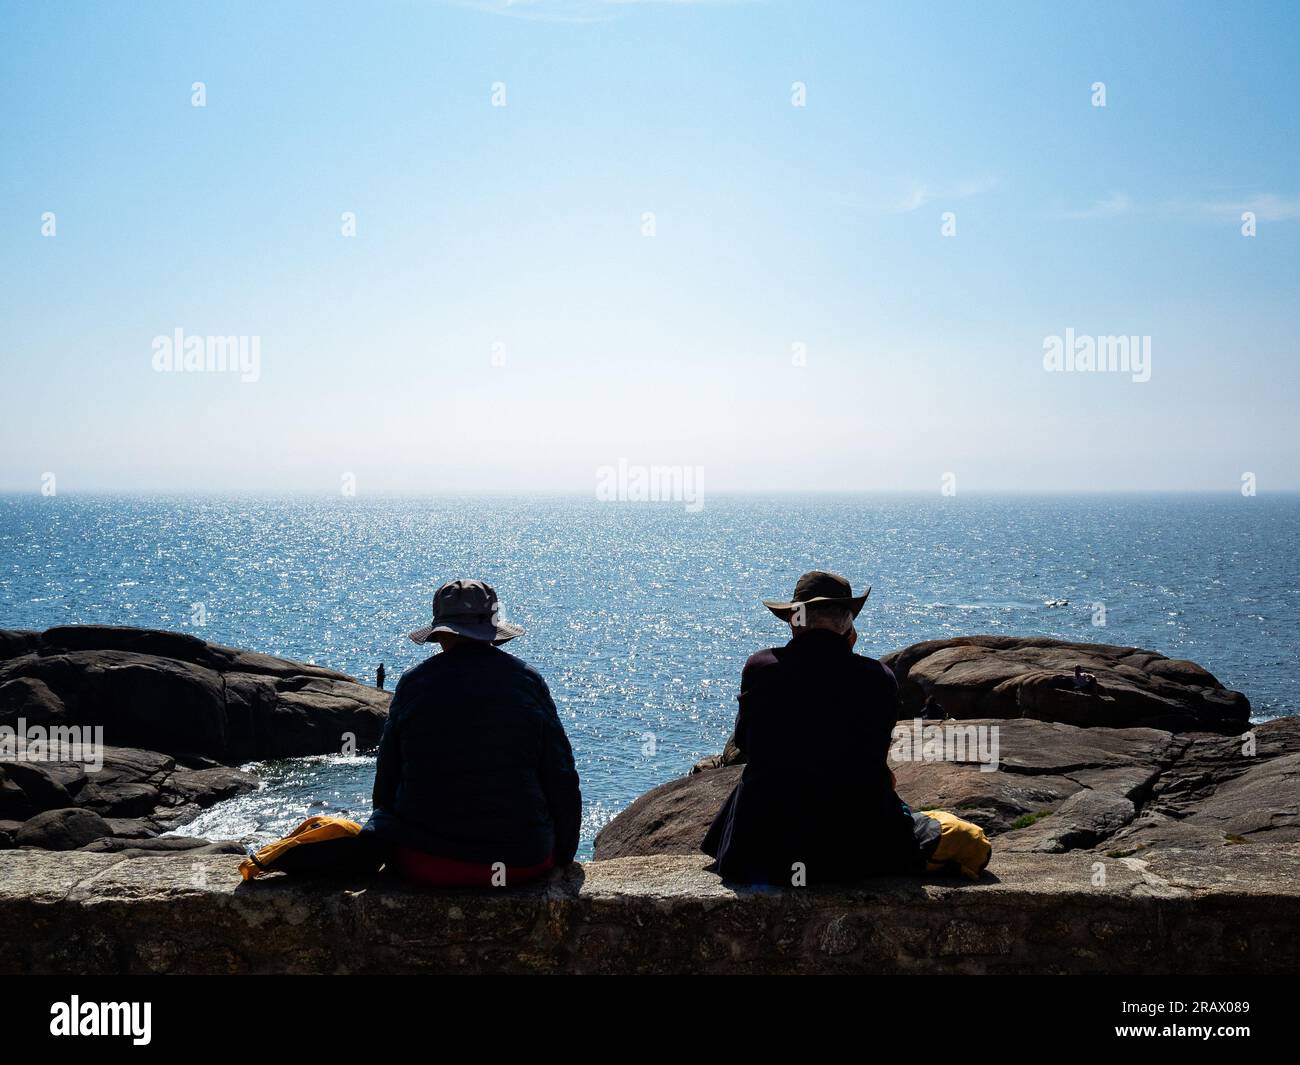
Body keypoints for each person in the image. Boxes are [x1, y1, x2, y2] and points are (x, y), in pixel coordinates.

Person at [701, 571, 922, 885]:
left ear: (795, 620)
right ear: (848, 625)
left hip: (765, 855)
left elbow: (747, 744)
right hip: (860, 855)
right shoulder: (878, 678)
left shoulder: (762, 668)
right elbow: (873, 756)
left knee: (762, 780)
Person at [362, 579, 581, 887]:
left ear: (440, 632)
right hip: (520, 862)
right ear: (493, 631)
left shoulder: (413, 684)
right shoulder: (527, 682)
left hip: (424, 862)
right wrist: (564, 857)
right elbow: (561, 778)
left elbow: (386, 779)